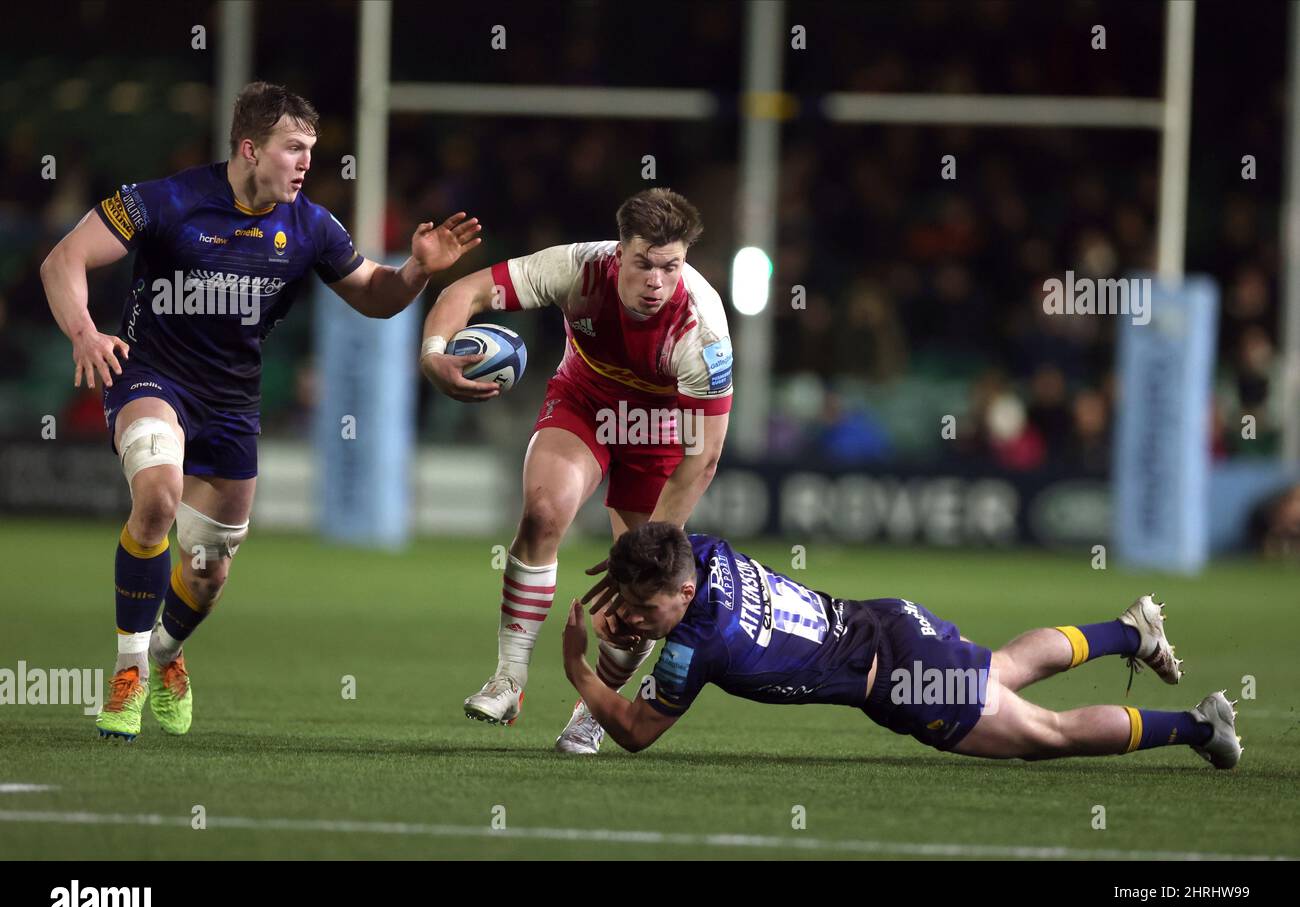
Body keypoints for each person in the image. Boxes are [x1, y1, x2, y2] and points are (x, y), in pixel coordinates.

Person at [40, 81, 482, 741]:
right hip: (151, 378)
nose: (306, 162)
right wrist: (84, 332)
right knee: (157, 501)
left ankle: (166, 653)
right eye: (293, 148)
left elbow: (377, 297)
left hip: (231, 405)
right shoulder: (167, 200)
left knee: (209, 575)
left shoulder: (309, 226)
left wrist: (418, 270)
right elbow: (63, 259)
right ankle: (128, 671)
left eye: (311, 149)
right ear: (250, 148)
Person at [419, 188, 732, 754]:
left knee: (642, 590)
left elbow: (703, 456)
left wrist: (646, 553)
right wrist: (433, 353)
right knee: (542, 514)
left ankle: (591, 714)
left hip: (663, 432)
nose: (657, 281)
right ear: (620, 253)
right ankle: (509, 679)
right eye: (643, 264)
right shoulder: (577, 267)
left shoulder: (702, 332)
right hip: (585, 401)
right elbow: (464, 290)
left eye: (671, 266)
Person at [562, 522, 1243, 769]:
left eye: (645, 608)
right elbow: (664, 542)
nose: (635, 617)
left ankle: (1198, 727)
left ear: (681, 596)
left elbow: (633, 731)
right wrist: (632, 590)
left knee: (1050, 735)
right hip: (893, 619)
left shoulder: (695, 646)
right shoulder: (702, 551)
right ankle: (1132, 630)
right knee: (1003, 668)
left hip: (905, 683)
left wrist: (577, 669)